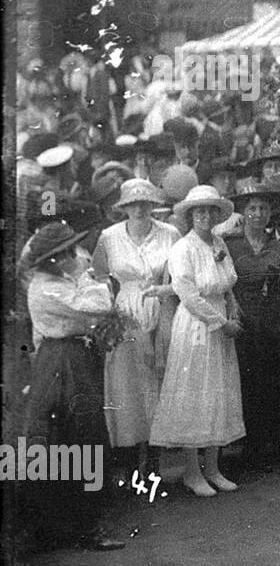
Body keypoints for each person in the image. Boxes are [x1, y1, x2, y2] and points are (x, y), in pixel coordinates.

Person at [19, 223, 125, 551]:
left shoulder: (58, 281)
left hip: (70, 355)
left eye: (69, 251)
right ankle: (79, 526)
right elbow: (97, 306)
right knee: (78, 434)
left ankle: (70, 523)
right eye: (62, 254)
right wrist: (84, 277)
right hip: (62, 359)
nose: (70, 257)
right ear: (48, 260)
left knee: (78, 434)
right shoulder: (47, 287)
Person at [151, 185, 246, 497]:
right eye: (199, 211)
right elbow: (188, 296)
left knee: (218, 391)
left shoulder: (219, 242)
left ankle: (213, 468)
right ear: (191, 215)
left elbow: (227, 281)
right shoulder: (183, 249)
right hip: (196, 327)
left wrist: (231, 307)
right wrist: (221, 323)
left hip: (221, 320)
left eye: (210, 211)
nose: (205, 216)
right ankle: (192, 472)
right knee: (197, 393)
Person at [90, 179, 180, 475]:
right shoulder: (109, 236)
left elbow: (178, 276)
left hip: (161, 310)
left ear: (153, 205)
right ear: (124, 207)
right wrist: (108, 314)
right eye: (132, 203)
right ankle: (129, 466)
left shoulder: (169, 233)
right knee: (127, 391)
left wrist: (165, 316)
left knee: (156, 385)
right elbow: (98, 277)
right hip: (125, 317)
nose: (139, 209)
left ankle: (154, 463)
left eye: (145, 203)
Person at [225, 183, 280, 471]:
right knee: (246, 383)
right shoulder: (229, 244)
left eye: (263, 209)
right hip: (242, 321)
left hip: (272, 322)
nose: (258, 214)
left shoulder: (279, 245)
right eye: (252, 208)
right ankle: (249, 447)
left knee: (272, 380)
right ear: (243, 212)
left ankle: (274, 445)